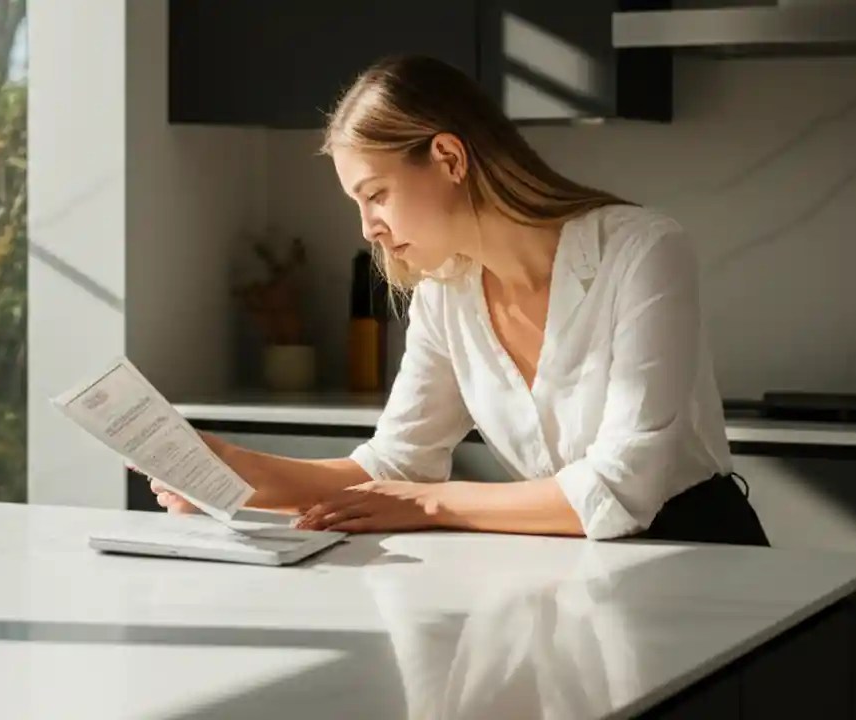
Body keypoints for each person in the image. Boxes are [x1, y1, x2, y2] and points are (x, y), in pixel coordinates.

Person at [152, 55, 768, 545]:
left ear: (448, 157)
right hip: (578, 570)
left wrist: (433, 504)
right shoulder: (446, 293)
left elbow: (624, 486)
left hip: (701, 556)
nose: (368, 228)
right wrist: (232, 470)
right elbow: (396, 467)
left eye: (377, 194)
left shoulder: (641, 250)